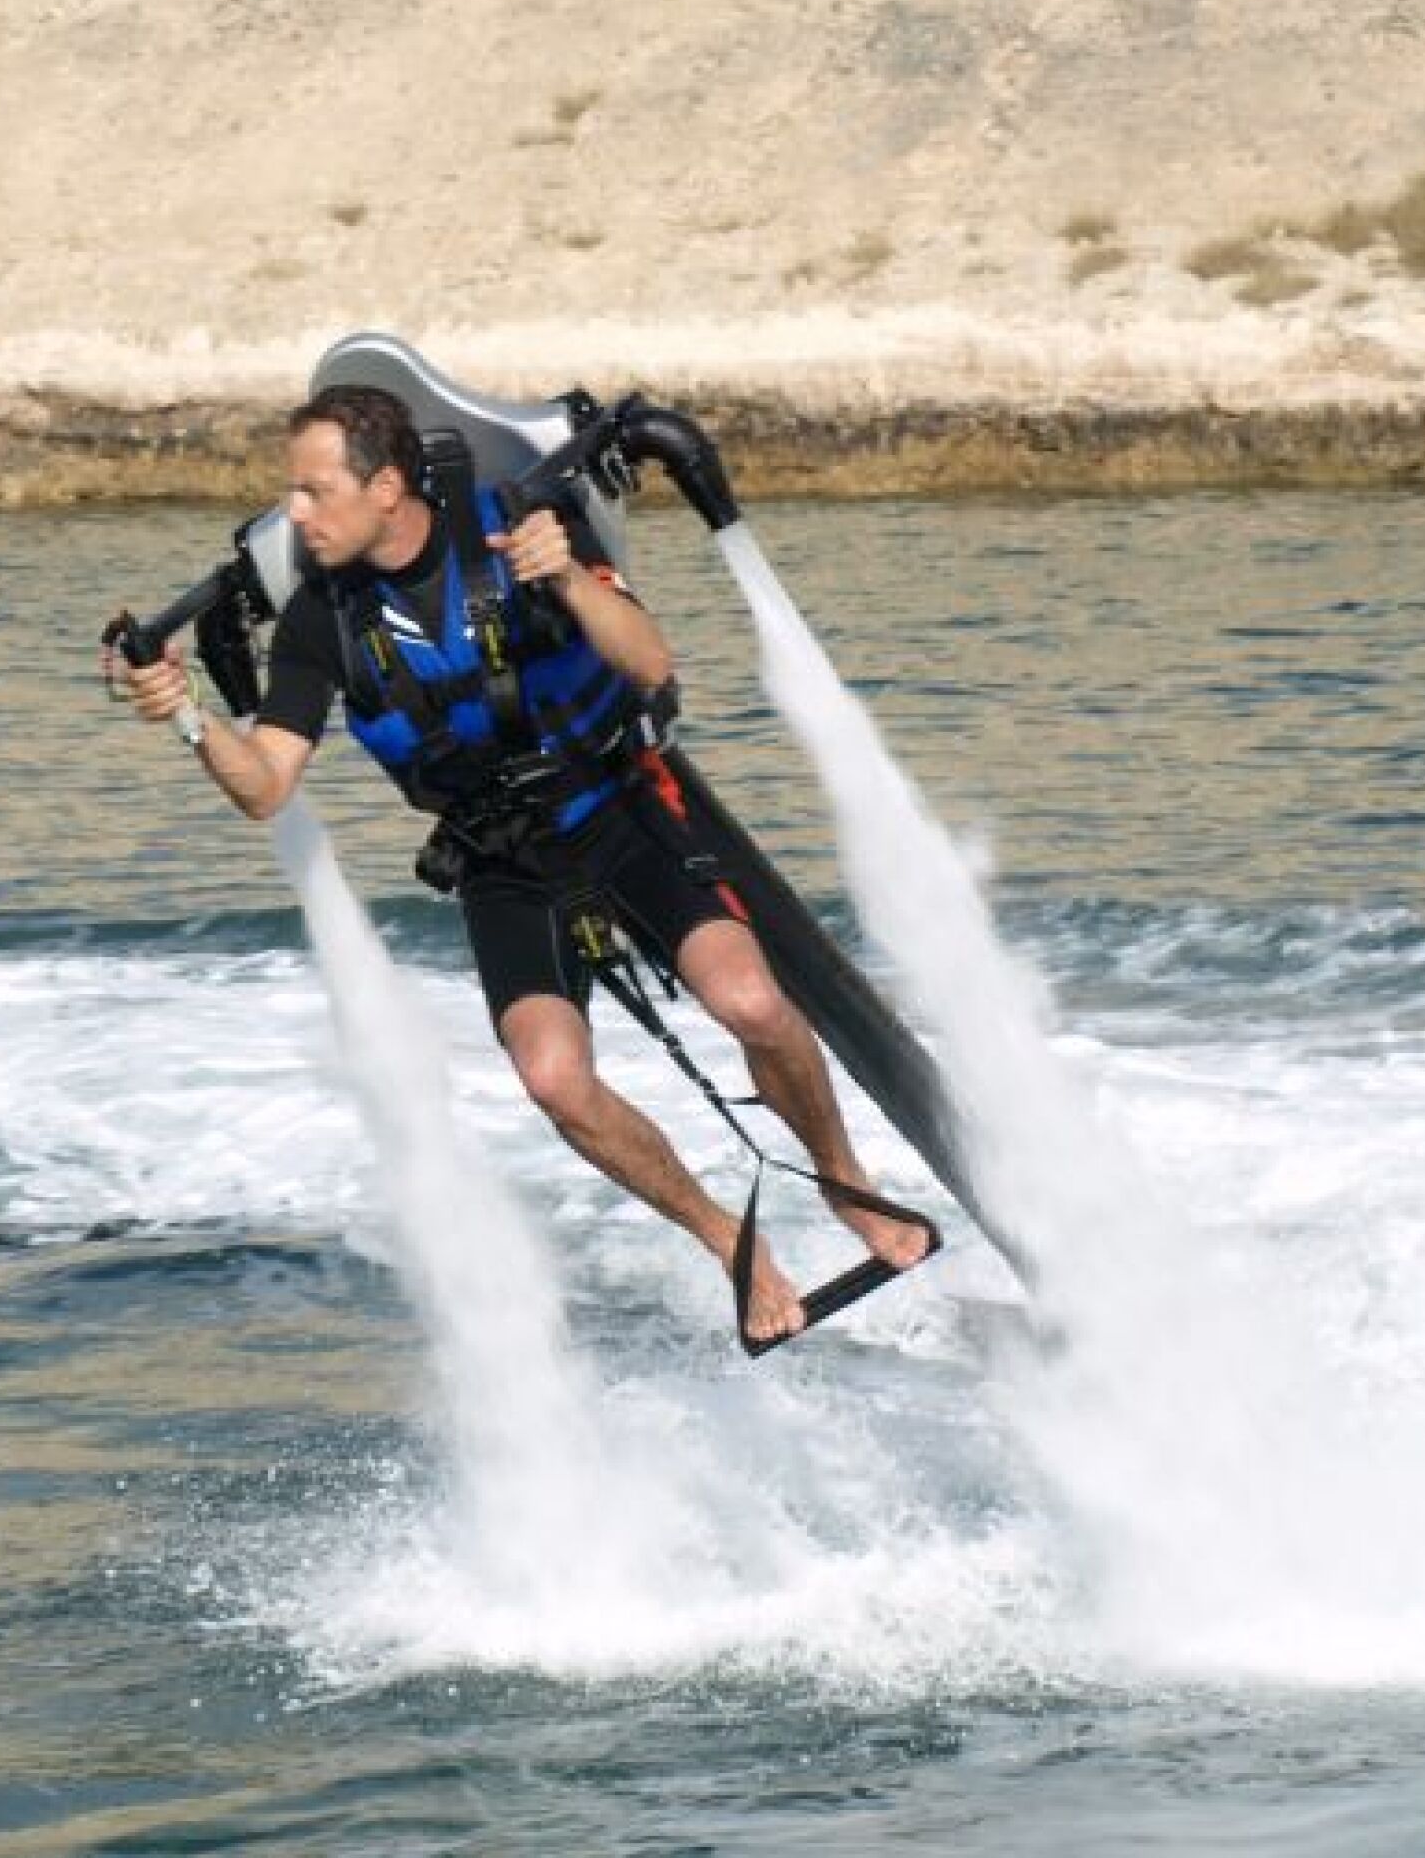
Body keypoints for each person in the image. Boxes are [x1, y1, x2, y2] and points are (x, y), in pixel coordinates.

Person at [109, 383, 928, 1347]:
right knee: (551, 1077)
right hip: (502, 859)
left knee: (747, 1000)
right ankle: (732, 1249)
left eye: (312, 490)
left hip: (616, 806)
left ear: (385, 488)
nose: (294, 514)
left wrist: (572, 581)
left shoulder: (516, 532)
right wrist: (192, 718)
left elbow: (652, 663)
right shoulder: (319, 623)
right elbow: (265, 788)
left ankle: (849, 1185)